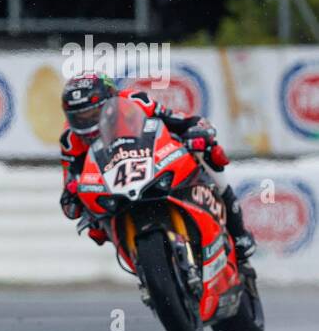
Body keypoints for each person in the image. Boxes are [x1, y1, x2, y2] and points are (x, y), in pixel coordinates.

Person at [58, 72, 256, 259]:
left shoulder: (136, 102)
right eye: (79, 118)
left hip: (154, 163)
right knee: (95, 228)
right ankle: (141, 266)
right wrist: (72, 195)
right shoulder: (70, 140)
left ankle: (238, 232)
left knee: (208, 152)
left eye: (94, 114)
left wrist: (197, 131)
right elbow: (70, 185)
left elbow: (180, 120)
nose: (88, 123)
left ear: (112, 102)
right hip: (115, 189)